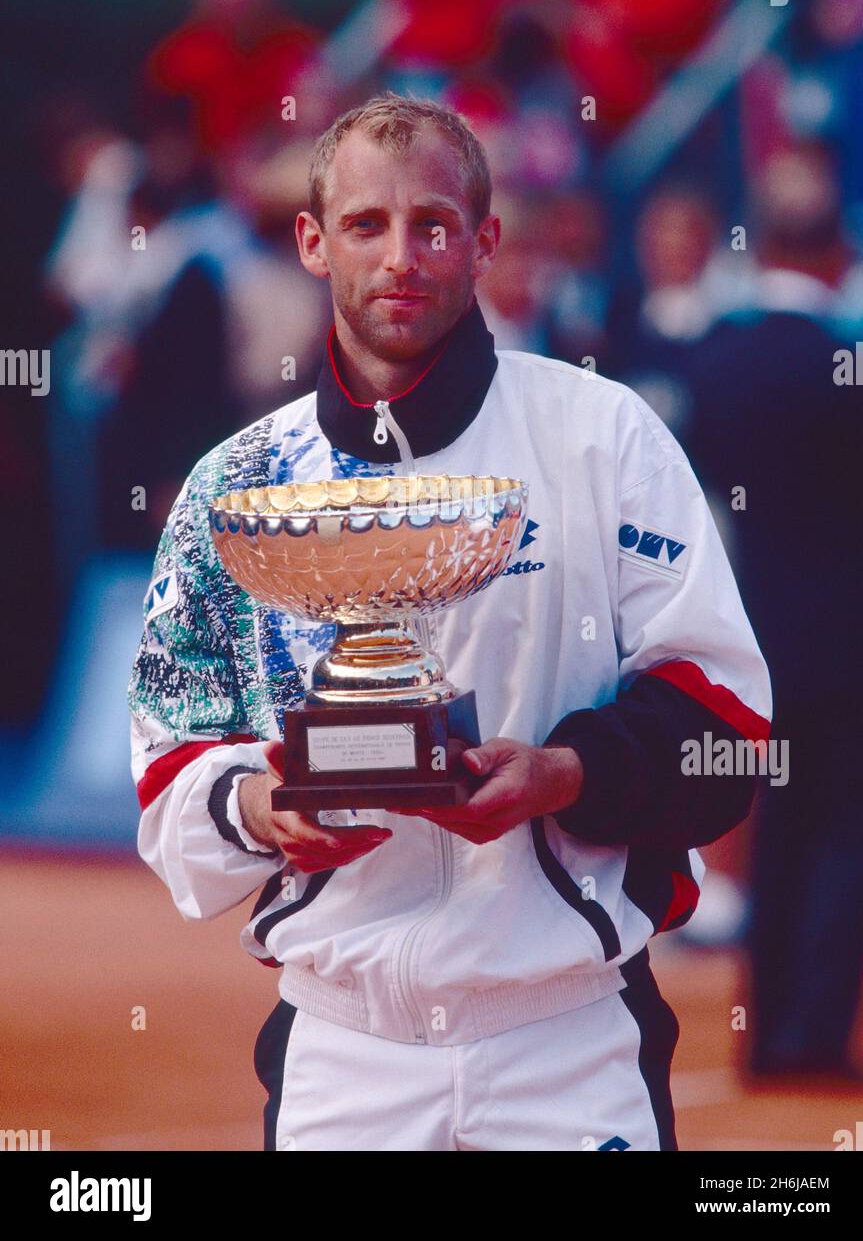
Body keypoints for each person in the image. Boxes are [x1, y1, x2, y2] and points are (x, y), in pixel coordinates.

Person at [129, 94, 771, 1152]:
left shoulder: (601, 436)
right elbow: (169, 763)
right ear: (311, 239)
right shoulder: (236, 487)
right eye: (365, 225)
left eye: (433, 225)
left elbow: (724, 731)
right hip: (342, 1043)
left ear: (484, 242)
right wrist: (261, 804)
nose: (400, 258)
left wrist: (568, 773)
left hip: (567, 1035)